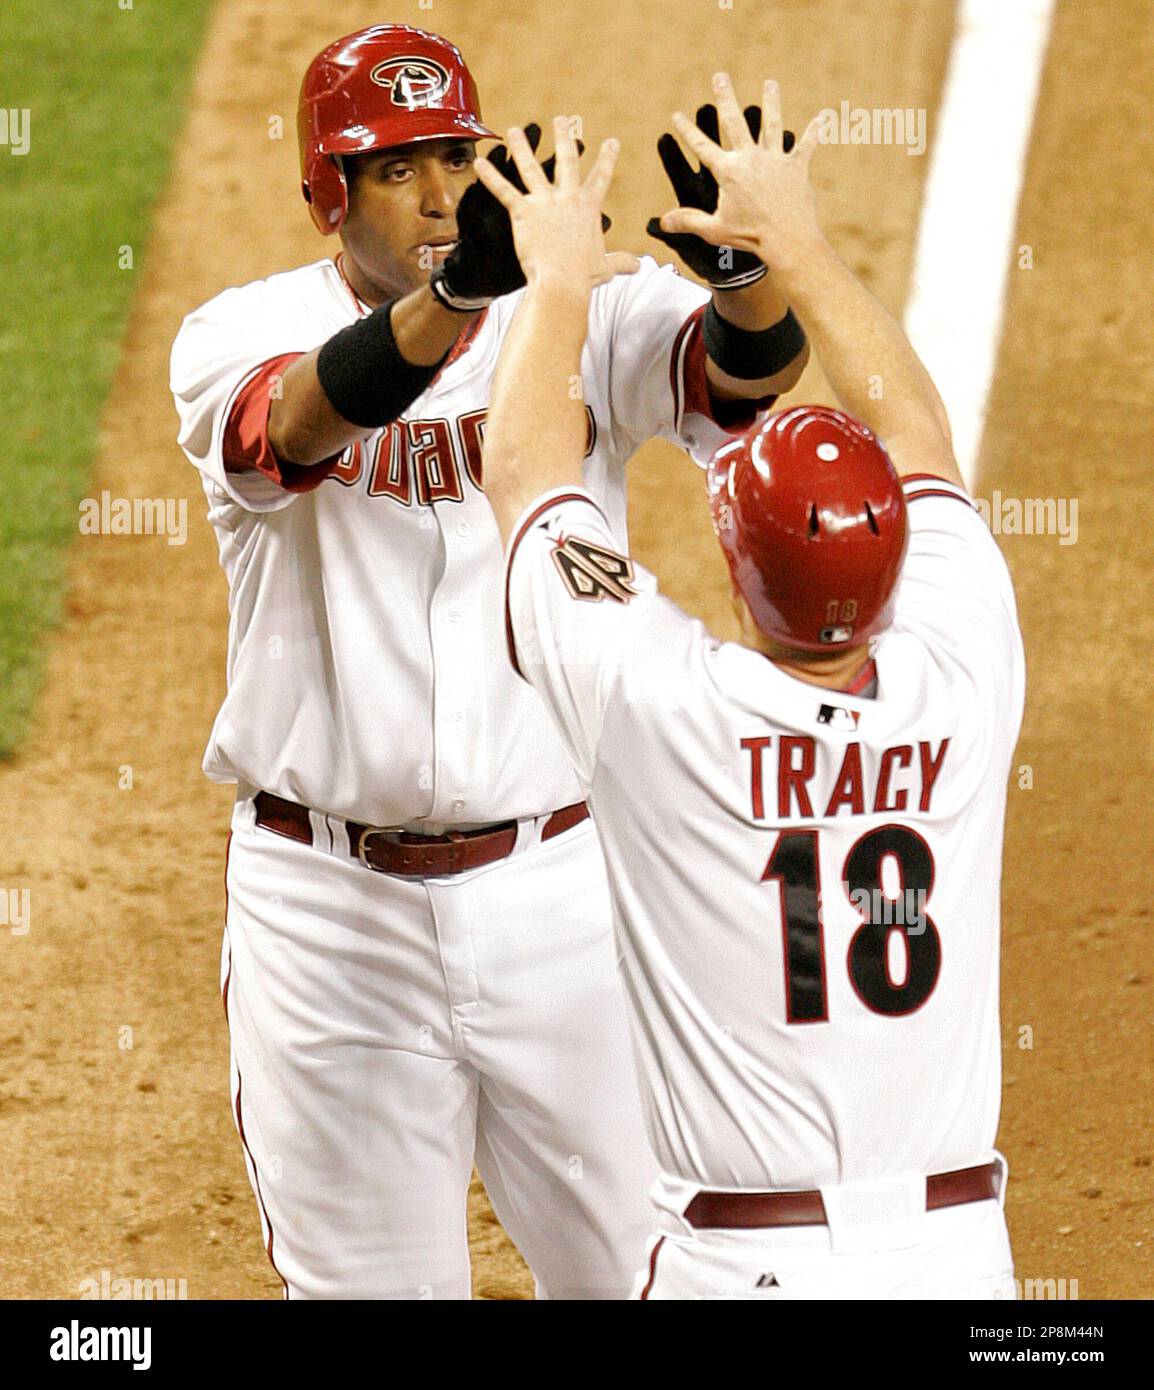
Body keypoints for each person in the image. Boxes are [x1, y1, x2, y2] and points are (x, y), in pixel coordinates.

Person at [168, 24, 807, 1300]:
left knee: (654, 1273)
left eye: (455, 156)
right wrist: (456, 302)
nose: (439, 194)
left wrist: (747, 275)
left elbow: (742, 381)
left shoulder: (570, 309)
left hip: (568, 890)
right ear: (323, 190)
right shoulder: (237, 335)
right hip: (328, 913)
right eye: (396, 166)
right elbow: (294, 427)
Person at [483, 74, 1025, 1299]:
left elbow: (524, 476)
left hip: (745, 1264)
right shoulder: (965, 663)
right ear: (893, 553)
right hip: (959, 1263)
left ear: (736, 571)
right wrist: (797, 245)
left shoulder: (665, 709)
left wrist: (556, 271)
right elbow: (922, 443)